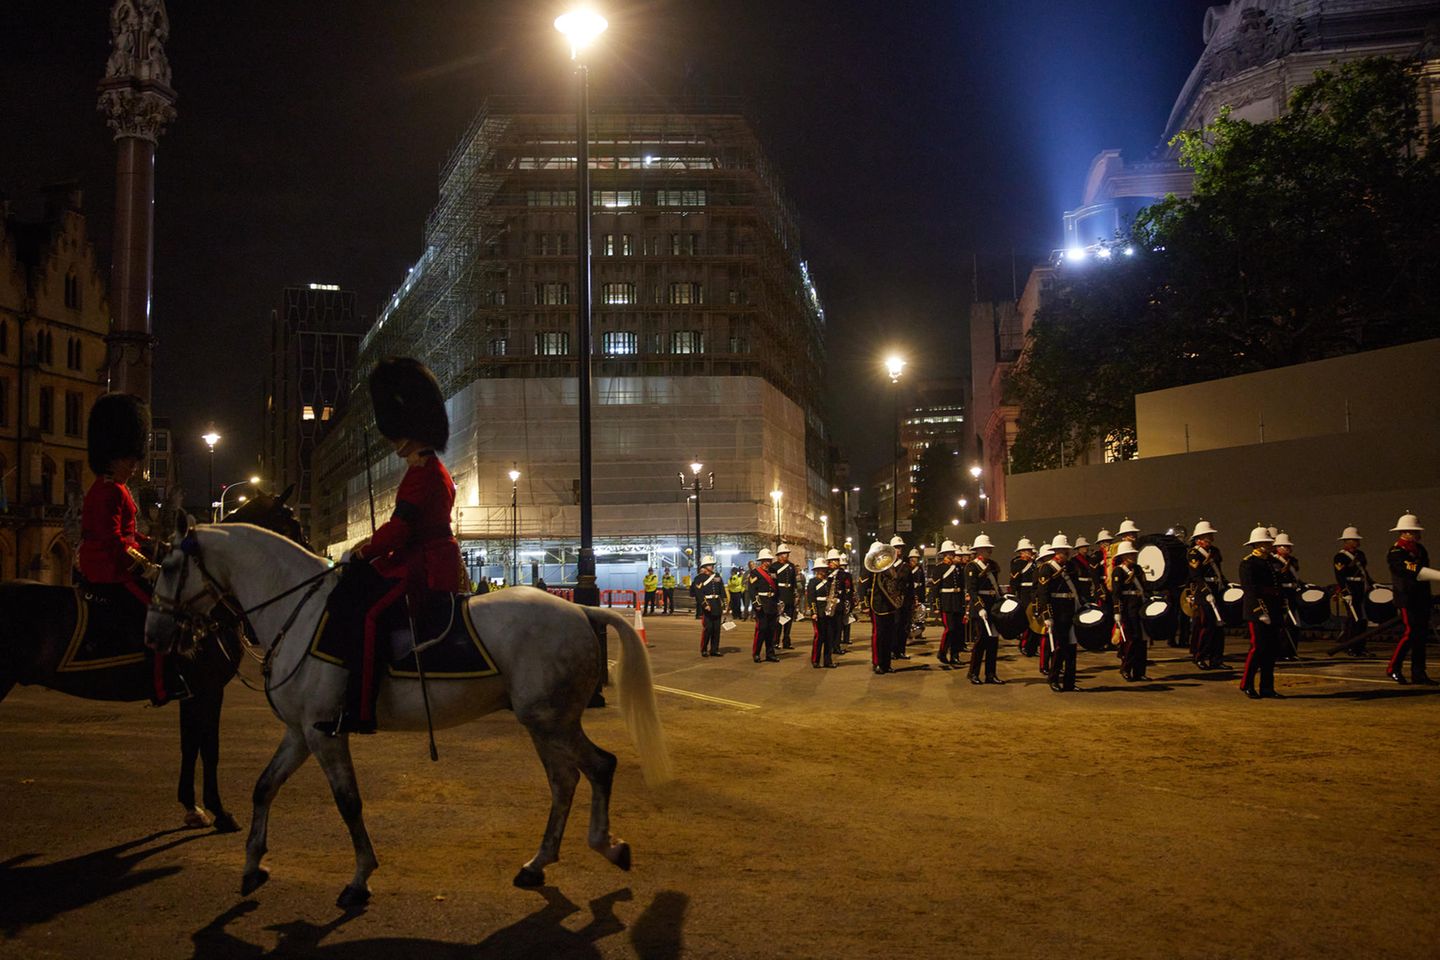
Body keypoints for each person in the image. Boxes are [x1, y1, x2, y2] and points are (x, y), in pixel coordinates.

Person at [318, 357, 461, 735]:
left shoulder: (423, 473)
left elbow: (401, 529)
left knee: (368, 616)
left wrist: (366, 551)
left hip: (424, 566)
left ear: (410, 429)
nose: (392, 441)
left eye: (396, 433)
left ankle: (361, 710)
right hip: (422, 558)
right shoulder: (426, 470)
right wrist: (372, 543)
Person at [78, 393, 179, 704]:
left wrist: (156, 546)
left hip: (114, 560)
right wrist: (144, 566)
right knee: (158, 613)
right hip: (107, 567)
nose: (135, 467)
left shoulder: (116, 488)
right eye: (131, 460)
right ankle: (161, 686)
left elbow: (130, 533)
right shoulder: (107, 491)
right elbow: (113, 541)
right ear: (114, 457)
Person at [1386, 513, 1438, 684]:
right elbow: (1414, 571)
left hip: (1421, 597)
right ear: (1406, 532)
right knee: (1410, 633)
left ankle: (1419, 672)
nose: (1418, 534)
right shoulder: (1396, 552)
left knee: (1421, 636)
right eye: (1415, 531)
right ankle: (1393, 668)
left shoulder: (1420, 549)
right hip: (1407, 598)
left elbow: (1422, 572)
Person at [1238, 526, 1284, 699]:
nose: (1268, 545)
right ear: (1256, 544)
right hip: (1257, 610)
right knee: (1257, 649)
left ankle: (1267, 687)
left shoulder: (1271, 562)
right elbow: (1250, 590)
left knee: (1271, 650)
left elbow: (1277, 586)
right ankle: (1247, 684)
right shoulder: (1248, 563)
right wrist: (1259, 611)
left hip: (1272, 609)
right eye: (1265, 542)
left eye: (1268, 542)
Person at [1038, 534, 1080, 692]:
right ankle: (1054, 678)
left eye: (1066, 551)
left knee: (1072, 648)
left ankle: (1070, 682)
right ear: (1056, 552)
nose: (1065, 554)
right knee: (1059, 647)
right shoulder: (1046, 568)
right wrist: (1047, 615)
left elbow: (1076, 589)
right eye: (1062, 551)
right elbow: (1043, 594)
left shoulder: (1071, 567)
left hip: (1071, 608)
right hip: (1057, 610)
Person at [1186, 519, 1227, 670]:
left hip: (1216, 589)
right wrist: (1205, 591)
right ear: (1199, 539)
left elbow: (1219, 572)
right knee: (1206, 626)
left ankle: (1217, 658)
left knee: (1219, 627)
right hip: (1203, 592)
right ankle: (1200, 657)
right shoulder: (1193, 553)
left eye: (1210, 536)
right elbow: (1195, 575)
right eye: (1207, 536)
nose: (1210, 539)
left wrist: (1226, 584)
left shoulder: (1215, 552)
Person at [965, 533, 1004, 685]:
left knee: (993, 642)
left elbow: (995, 586)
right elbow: (972, 590)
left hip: (993, 605)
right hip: (980, 607)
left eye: (989, 549)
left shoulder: (993, 566)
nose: (989, 551)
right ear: (979, 550)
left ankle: (991, 674)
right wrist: (980, 607)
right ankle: (973, 673)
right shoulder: (971, 566)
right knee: (980, 642)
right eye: (986, 549)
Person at [1110, 541, 1149, 681]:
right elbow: (1116, 593)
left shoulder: (1138, 569)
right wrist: (1117, 611)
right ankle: (1126, 668)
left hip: (1140, 605)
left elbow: (1144, 586)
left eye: (1134, 553)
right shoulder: (1118, 571)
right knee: (1130, 640)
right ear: (1124, 556)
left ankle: (1140, 672)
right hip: (1127, 607)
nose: (1134, 556)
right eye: (1131, 554)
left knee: (1141, 641)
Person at [1333, 526, 1371, 657]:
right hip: (1350, 588)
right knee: (1354, 619)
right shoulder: (1340, 557)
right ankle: (1351, 647)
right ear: (1347, 541)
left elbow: (1363, 572)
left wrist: (1372, 582)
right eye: (1354, 540)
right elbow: (1340, 576)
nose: (1357, 542)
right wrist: (1345, 591)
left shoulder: (1360, 555)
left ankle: (1360, 646)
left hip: (1360, 587)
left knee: (1362, 619)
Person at [867, 541, 904, 675]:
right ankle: (877, 663)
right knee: (879, 636)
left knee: (889, 636)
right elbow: (865, 587)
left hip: (889, 605)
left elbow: (894, 583)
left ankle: (887, 664)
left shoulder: (889, 566)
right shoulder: (869, 568)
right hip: (877, 605)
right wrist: (865, 605)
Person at [1270, 531, 1302, 661]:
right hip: (1282, 594)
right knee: (1283, 625)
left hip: (1292, 593)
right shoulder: (1273, 561)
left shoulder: (1293, 561)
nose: (1288, 549)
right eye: (1285, 546)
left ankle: (1292, 651)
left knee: (1294, 623)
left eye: (1289, 546)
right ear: (1278, 548)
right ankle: (1281, 652)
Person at [933, 541, 964, 666]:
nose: (951, 555)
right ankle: (942, 651)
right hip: (946, 602)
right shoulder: (939, 568)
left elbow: (962, 586)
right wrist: (935, 605)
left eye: (952, 553)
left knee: (957, 630)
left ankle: (955, 655)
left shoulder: (958, 568)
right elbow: (935, 588)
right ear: (944, 554)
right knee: (949, 629)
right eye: (949, 553)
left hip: (957, 601)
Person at [807, 557, 840, 668]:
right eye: (820, 569)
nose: (823, 571)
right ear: (816, 570)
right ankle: (815, 660)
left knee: (829, 637)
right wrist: (813, 612)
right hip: (819, 611)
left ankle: (828, 660)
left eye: (824, 569)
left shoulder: (829, 581)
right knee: (819, 637)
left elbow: (832, 594)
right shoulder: (813, 582)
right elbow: (811, 598)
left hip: (828, 611)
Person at [749, 548, 780, 663]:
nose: (769, 562)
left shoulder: (773, 572)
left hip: (772, 603)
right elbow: (752, 590)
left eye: (769, 560)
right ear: (761, 561)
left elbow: (776, 588)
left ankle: (770, 653)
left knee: (772, 631)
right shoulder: (755, 573)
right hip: (762, 604)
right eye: (766, 560)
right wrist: (756, 603)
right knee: (761, 630)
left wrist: (778, 601)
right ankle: (756, 653)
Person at [692, 556, 726, 658]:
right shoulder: (699, 578)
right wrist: (704, 604)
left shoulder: (717, 576)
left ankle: (714, 649)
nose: (712, 567)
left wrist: (724, 603)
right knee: (708, 628)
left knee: (716, 629)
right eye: (710, 565)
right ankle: (704, 649)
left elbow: (722, 590)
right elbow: (699, 593)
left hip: (716, 603)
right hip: (708, 604)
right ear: (705, 566)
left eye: (712, 565)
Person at [1011, 538, 1039, 658]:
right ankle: (1023, 645)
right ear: (1021, 552)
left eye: (1029, 550)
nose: (1029, 553)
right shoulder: (1017, 563)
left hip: (1034, 593)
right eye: (1026, 551)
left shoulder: (1034, 563)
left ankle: (1032, 646)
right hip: (1024, 594)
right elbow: (1014, 581)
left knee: (1035, 621)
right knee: (1027, 622)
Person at [772, 544, 798, 649]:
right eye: (784, 553)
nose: (786, 555)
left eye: (787, 554)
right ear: (778, 555)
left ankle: (787, 641)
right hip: (780, 594)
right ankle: (776, 641)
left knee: (788, 620)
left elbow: (794, 582)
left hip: (789, 595)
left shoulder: (791, 566)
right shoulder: (774, 567)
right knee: (778, 621)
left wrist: (795, 594)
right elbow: (773, 583)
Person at [837, 552, 856, 653]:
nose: (843, 567)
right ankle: (840, 638)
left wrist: (852, 597)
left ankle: (846, 638)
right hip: (843, 598)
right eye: (842, 565)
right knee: (840, 621)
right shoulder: (839, 575)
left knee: (847, 620)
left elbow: (851, 587)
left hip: (847, 598)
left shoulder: (848, 575)